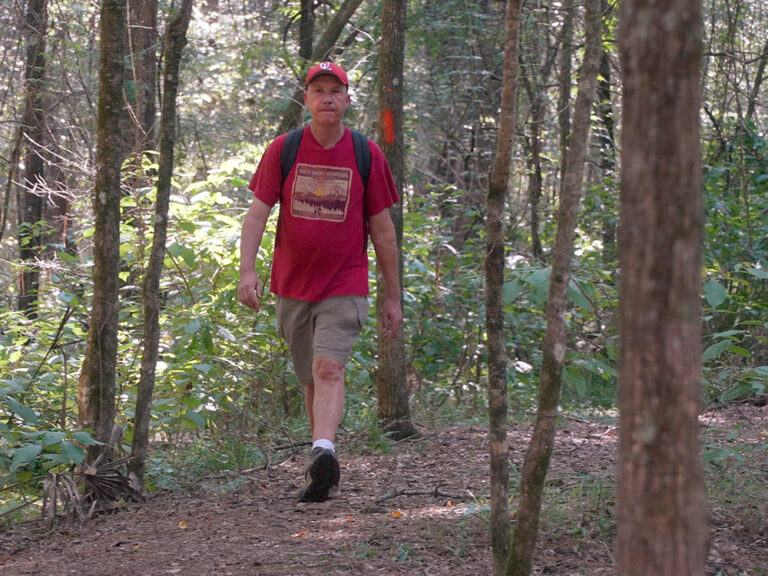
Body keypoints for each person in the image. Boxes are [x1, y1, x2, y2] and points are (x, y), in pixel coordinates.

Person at [238, 62, 403, 503]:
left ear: (347, 99)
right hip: (292, 284)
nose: (327, 98)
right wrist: (247, 271)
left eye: (335, 90)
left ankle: (325, 449)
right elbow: (257, 214)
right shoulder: (284, 149)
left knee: (329, 367)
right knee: (312, 377)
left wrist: (392, 296)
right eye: (318, 90)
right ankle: (321, 467)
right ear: (306, 99)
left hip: (345, 282)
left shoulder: (366, 154)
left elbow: (383, 230)